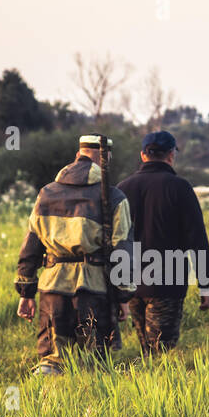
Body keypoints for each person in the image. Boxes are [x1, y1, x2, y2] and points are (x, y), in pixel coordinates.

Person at [15, 134, 136, 375]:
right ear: (106, 160)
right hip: (95, 290)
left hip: (52, 289)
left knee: (51, 361)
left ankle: (45, 407)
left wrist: (26, 293)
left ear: (77, 156)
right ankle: (89, 409)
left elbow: (31, 244)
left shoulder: (46, 193)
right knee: (94, 363)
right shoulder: (114, 197)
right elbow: (122, 249)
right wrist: (124, 297)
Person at [115, 130, 209, 354]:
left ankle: (143, 387)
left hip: (131, 283)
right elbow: (197, 240)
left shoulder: (122, 188)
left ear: (143, 155)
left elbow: (114, 240)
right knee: (162, 354)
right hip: (167, 281)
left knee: (146, 350)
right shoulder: (180, 188)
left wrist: (117, 286)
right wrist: (206, 285)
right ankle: (157, 388)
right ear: (171, 155)